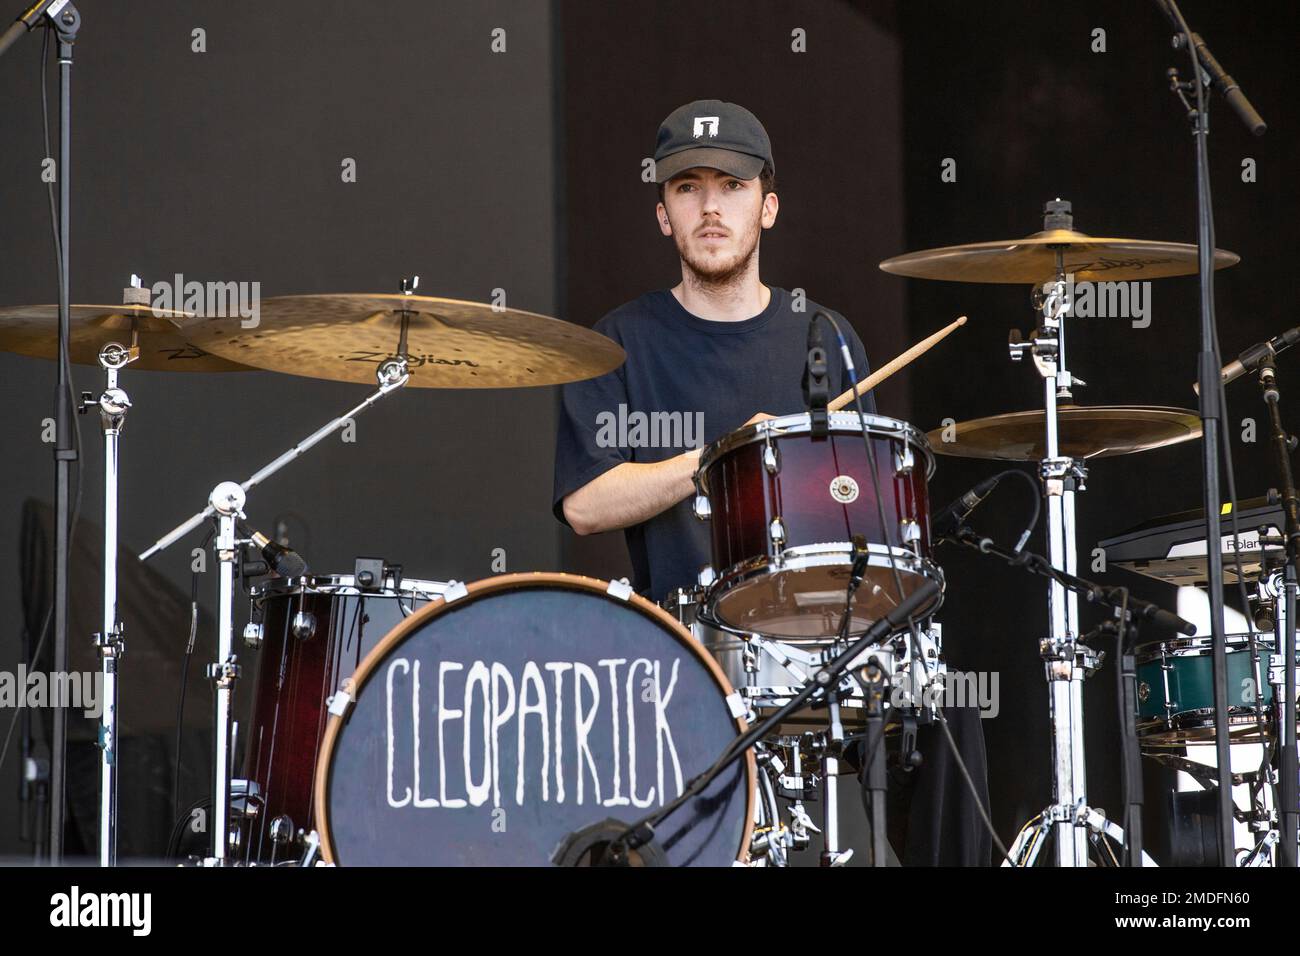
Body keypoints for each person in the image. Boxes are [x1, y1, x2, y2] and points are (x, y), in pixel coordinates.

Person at [553, 99, 991, 865]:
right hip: (690, 652)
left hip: (833, 642)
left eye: (732, 185)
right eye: (688, 187)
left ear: (769, 206)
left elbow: (878, 519)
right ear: (663, 214)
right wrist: (716, 457)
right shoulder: (617, 342)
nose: (711, 206)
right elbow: (586, 505)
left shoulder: (825, 336)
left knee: (945, 700)